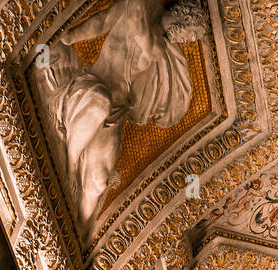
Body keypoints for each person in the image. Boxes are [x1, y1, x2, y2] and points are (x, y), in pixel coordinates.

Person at [36, 0, 210, 232]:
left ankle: (76, 232)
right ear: (181, 16)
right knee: (99, 103)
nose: (181, 37)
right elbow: (102, 22)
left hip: (116, 113)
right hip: (91, 87)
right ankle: (70, 165)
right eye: (186, 31)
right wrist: (71, 36)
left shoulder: (156, 44)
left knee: (98, 182)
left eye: (187, 37)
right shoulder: (133, 9)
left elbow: (137, 24)